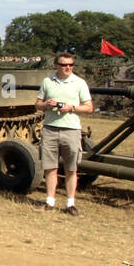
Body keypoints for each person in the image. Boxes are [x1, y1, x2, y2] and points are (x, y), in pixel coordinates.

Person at [37, 52, 92, 215]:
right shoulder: (47, 82)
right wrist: (45, 104)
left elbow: (89, 107)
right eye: (64, 65)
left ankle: (70, 204)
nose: (68, 67)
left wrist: (71, 108)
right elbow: (37, 104)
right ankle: (50, 201)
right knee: (50, 167)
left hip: (71, 130)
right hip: (50, 129)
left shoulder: (79, 83)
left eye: (70, 65)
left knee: (71, 168)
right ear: (56, 65)